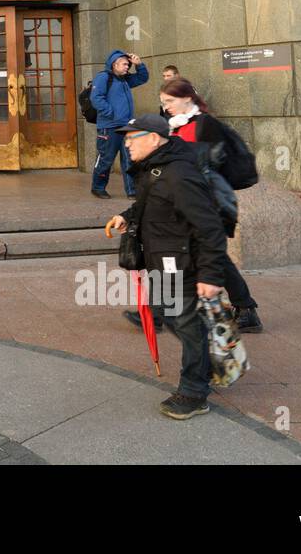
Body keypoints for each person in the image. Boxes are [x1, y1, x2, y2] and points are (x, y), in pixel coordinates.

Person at [107, 114, 231, 420]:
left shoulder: (179, 174)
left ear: (153, 138)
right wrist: (128, 216)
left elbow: (210, 226)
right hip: (161, 261)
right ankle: (207, 361)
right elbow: (148, 205)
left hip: (181, 263)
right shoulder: (154, 168)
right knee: (165, 312)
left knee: (187, 325)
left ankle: (193, 392)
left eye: (131, 137)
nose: (126, 143)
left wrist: (211, 274)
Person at [138, 77, 263, 333]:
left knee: (207, 255)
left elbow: (207, 165)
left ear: (187, 98)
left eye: (170, 101)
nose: (166, 107)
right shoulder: (174, 126)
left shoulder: (205, 125)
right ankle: (160, 311)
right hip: (182, 200)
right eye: (163, 102)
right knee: (174, 253)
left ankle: (245, 308)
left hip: (203, 202)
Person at [89, 50, 149, 199]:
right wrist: (111, 113)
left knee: (129, 159)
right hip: (109, 126)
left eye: (128, 65)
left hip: (126, 125)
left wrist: (139, 64)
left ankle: (132, 190)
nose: (127, 67)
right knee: (106, 159)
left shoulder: (124, 79)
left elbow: (142, 78)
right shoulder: (103, 78)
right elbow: (96, 98)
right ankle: (98, 187)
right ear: (114, 64)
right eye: (124, 64)